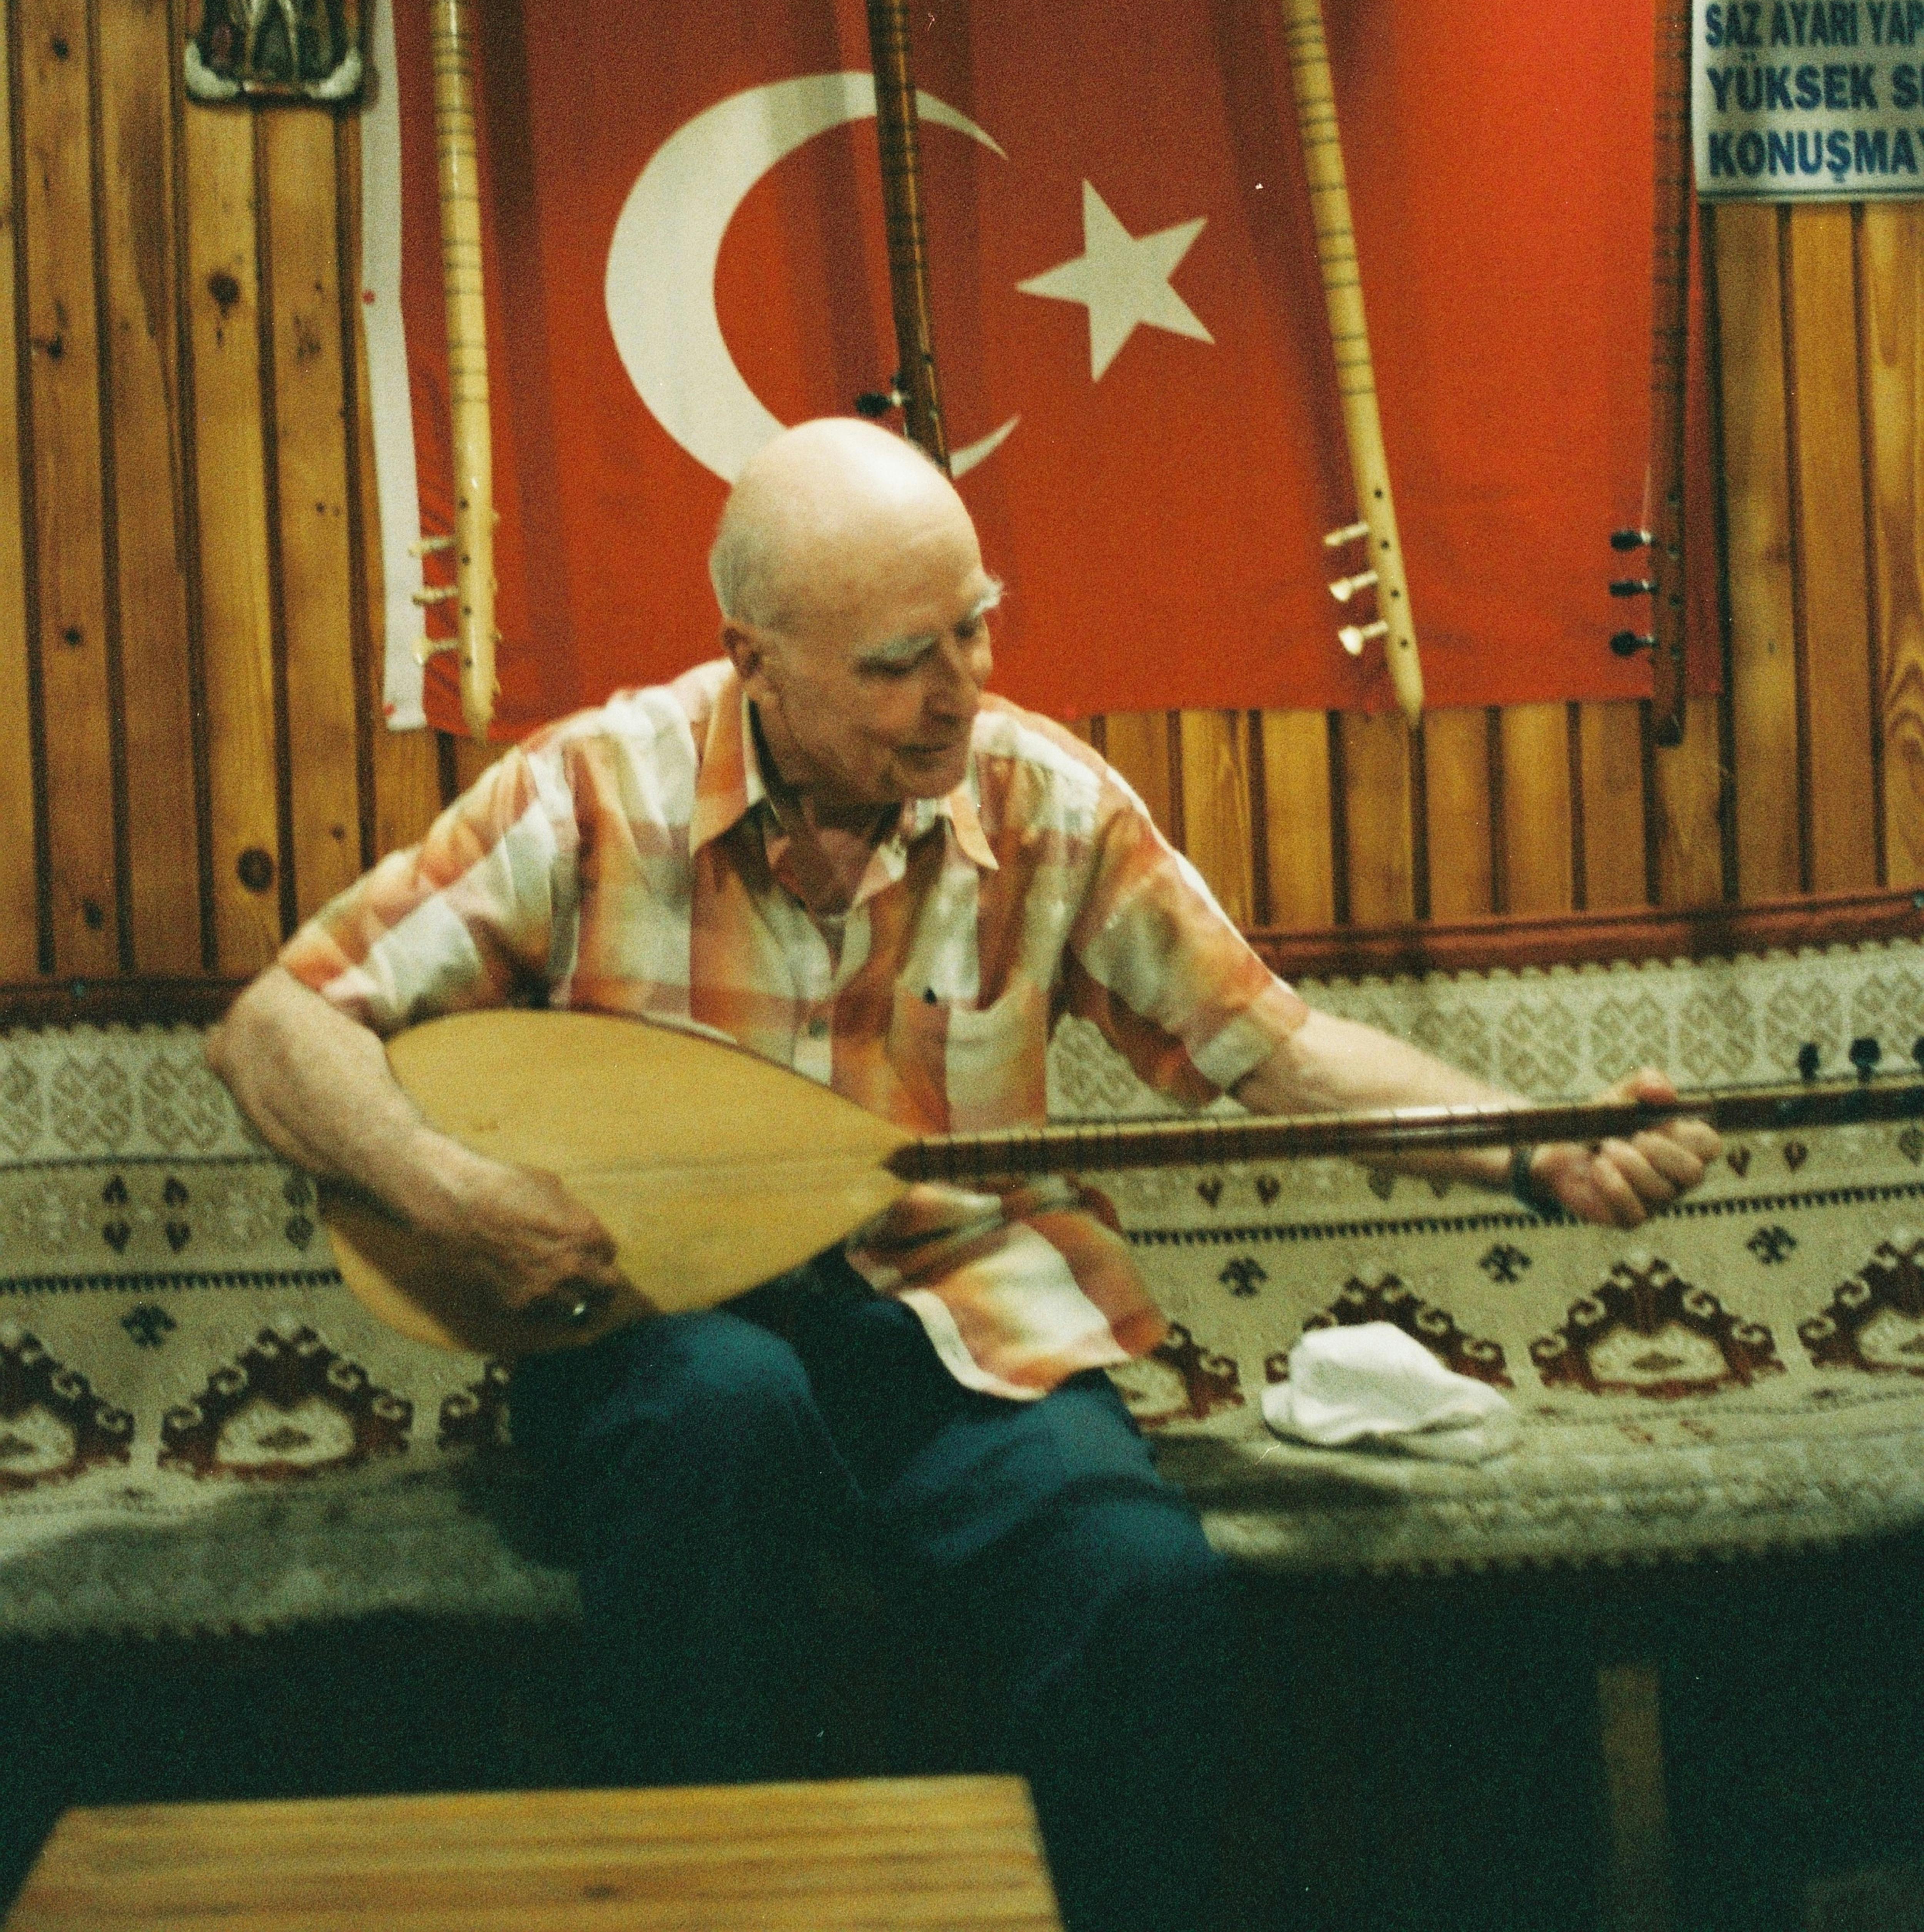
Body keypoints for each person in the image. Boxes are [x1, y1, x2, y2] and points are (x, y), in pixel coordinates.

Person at [209, 417, 1717, 1932]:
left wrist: (1534, 1145)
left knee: (1142, 1591)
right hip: (651, 1328)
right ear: (757, 658)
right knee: (724, 1415)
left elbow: (1277, 1048)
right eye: (895, 661)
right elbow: (275, 1026)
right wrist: (442, 1191)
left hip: (952, 1320)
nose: (960, 690)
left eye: (975, 625)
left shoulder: (1041, 802)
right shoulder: (594, 793)